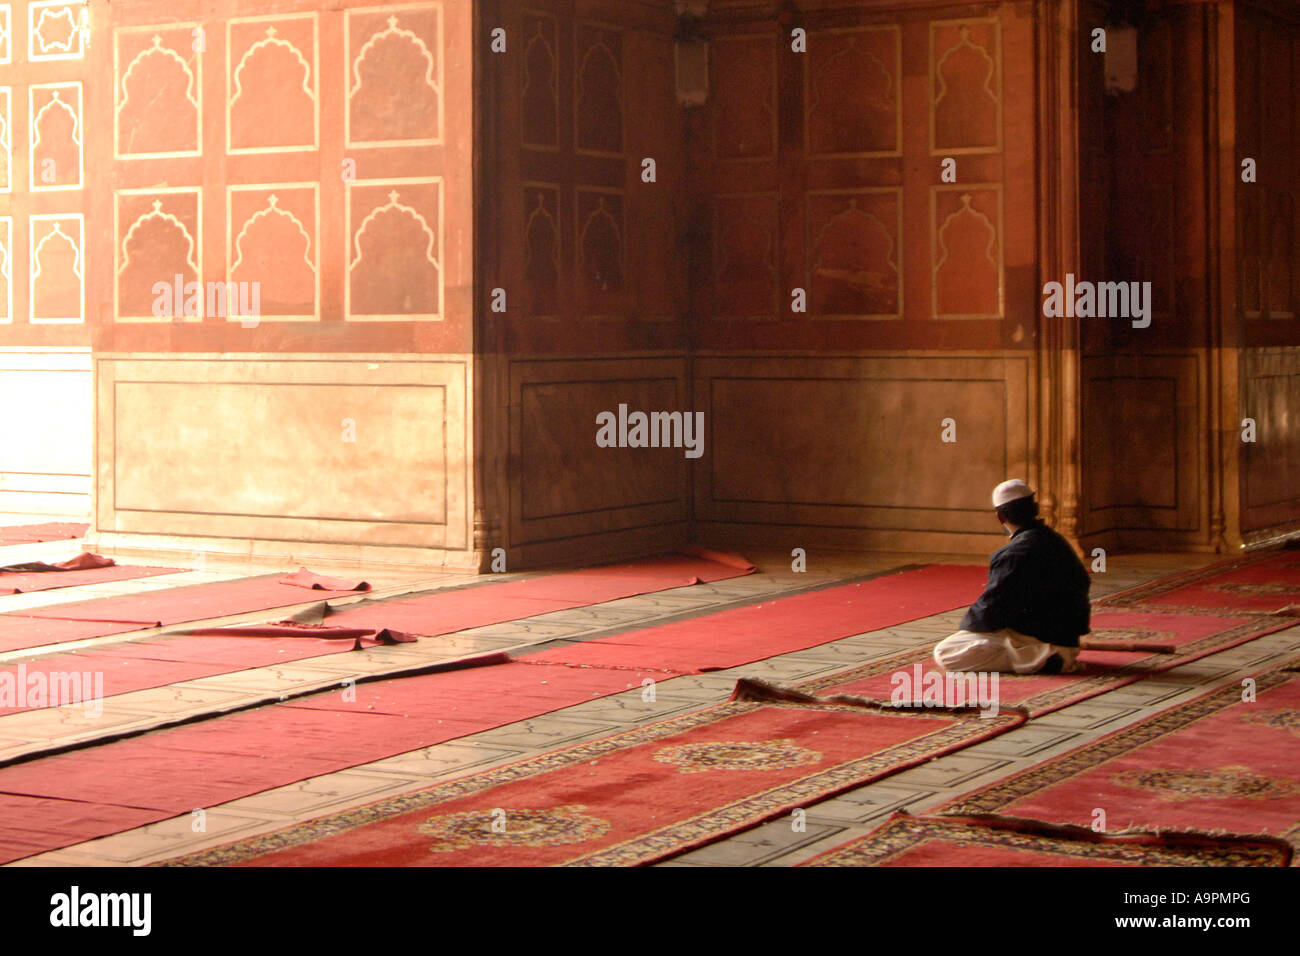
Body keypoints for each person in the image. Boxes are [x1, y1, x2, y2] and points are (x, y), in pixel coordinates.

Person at [934, 480, 1091, 675]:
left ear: (1000, 517)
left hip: (1040, 638)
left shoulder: (1012, 554)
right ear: (1035, 508)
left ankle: (1041, 659)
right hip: (1067, 638)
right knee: (979, 638)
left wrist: (967, 629)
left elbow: (991, 609)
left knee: (946, 652)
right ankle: (1044, 655)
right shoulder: (1057, 541)